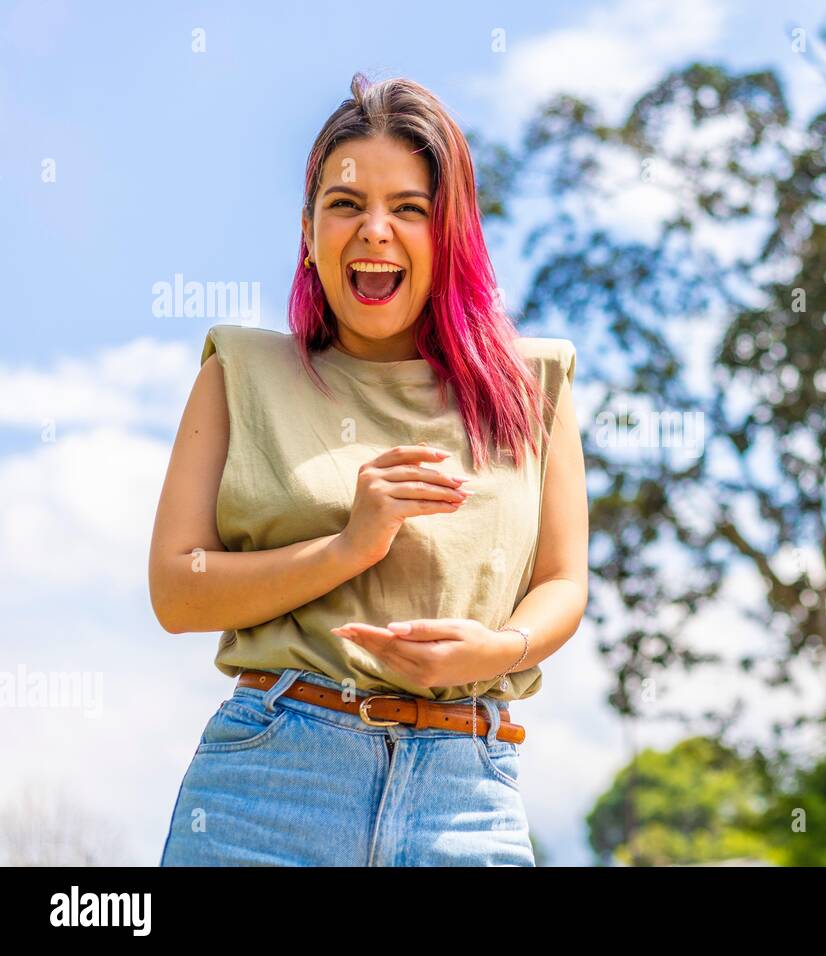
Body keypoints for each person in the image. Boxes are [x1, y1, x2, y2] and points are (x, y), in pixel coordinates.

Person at [149, 73, 588, 866]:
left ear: (449, 232)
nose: (375, 230)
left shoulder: (535, 385)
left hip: (467, 796)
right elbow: (178, 592)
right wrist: (347, 546)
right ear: (309, 231)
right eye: (346, 204)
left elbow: (564, 582)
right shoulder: (239, 372)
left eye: (410, 209)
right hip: (265, 792)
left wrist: (502, 648)